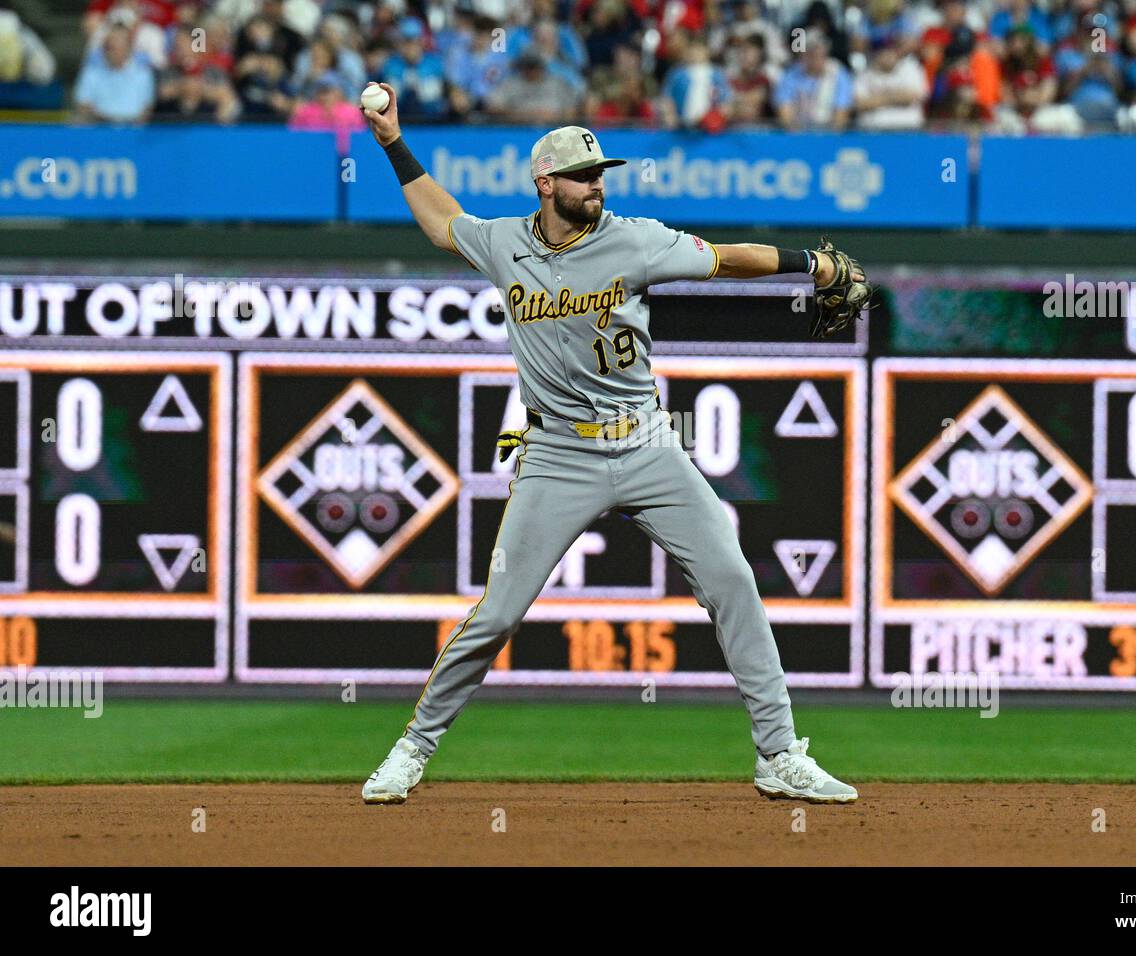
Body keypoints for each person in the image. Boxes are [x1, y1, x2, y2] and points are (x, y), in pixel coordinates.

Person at [358, 86, 862, 806]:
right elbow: (444, 223)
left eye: (601, 173)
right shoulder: (505, 244)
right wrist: (392, 143)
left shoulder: (635, 239)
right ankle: (413, 748)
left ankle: (779, 755)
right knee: (498, 611)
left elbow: (724, 259)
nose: (597, 184)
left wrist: (806, 262)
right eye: (583, 175)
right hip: (559, 455)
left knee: (733, 582)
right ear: (545, 184)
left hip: (648, 445)